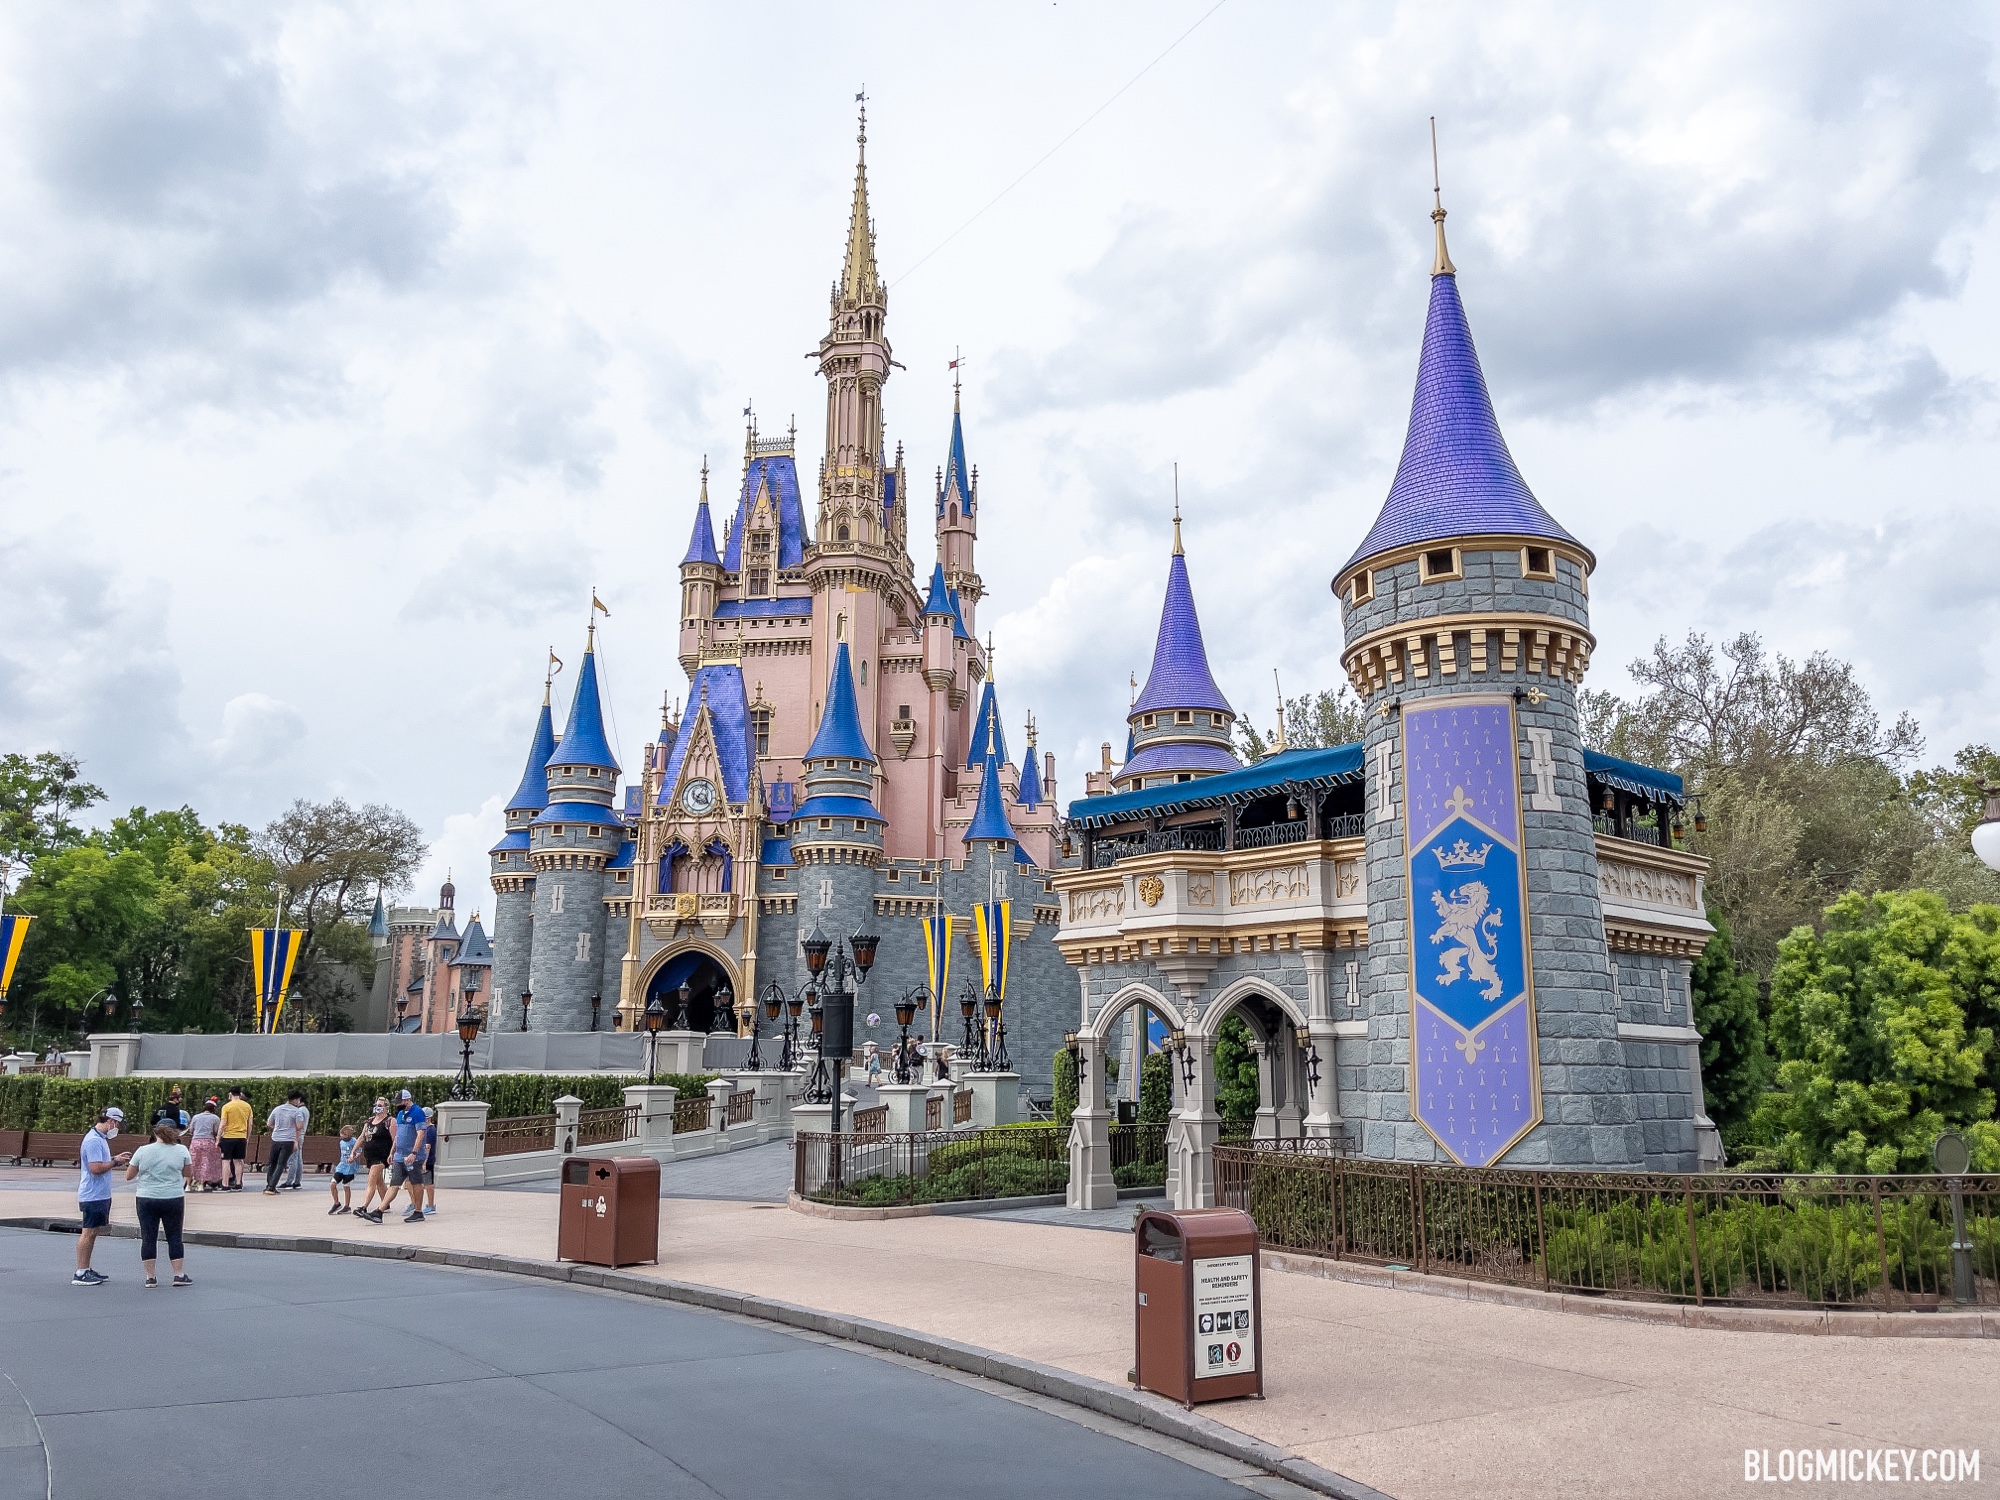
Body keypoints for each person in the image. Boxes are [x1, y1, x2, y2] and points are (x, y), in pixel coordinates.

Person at [125, 1120, 194, 1288]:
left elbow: (129, 1175)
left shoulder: (143, 1151)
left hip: (146, 1197)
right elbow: (188, 1173)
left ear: (155, 1133)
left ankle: (150, 1277)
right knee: (174, 1236)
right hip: (173, 1197)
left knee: (148, 1236)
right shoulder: (182, 1150)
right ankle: (178, 1275)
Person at [72, 1107, 131, 1286]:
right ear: (111, 1121)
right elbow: (95, 1168)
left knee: (92, 1232)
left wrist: (114, 1158)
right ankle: (81, 1271)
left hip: (98, 1193)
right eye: (118, 1125)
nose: (118, 1129)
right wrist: (115, 1162)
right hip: (93, 1193)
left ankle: (85, 1268)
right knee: (88, 1232)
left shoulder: (98, 1138)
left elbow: (98, 1163)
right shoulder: (94, 1141)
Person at [385, 1091, 427, 1224]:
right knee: (394, 1183)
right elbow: (398, 1135)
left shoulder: (417, 1112)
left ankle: (418, 1210)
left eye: (400, 1102)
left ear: (407, 1100)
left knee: (416, 1182)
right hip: (399, 1155)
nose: (397, 1104)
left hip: (412, 1156)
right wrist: (392, 1151)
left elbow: (420, 1134)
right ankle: (380, 1210)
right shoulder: (400, 1114)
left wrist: (414, 1152)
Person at [353, 1099, 395, 1223]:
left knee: (371, 1181)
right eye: (376, 1105)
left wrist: (392, 1153)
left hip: (381, 1155)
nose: (377, 1107)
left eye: (380, 1105)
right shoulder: (370, 1121)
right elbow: (362, 1136)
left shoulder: (390, 1121)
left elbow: (395, 1138)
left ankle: (364, 1207)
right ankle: (385, 1203)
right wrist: (353, 1151)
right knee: (378, 1181)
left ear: (386, 1108)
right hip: (370, 1156)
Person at [263, 1090, 307, 1194]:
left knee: (272, 1163)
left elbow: (269, 1123)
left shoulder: (277, 1109)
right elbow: (299, 1127)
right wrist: (295, 1139)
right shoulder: (297, 1111)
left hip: (276, 1138)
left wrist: (278, 1127)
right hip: (288, 1139)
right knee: (281, 1164)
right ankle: (272, 1187)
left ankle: (269, 1184)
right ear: (296, 1099)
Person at [187, 1096, 224, 1192]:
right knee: (205, 1163)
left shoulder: (195, 1117)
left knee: (193, 1163)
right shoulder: (215, 1118)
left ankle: (188, 1185)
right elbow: (217, 1131)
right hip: (208, 1142)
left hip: (195, 1142)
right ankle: (201, 1185)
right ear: (213, 1109)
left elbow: (191, 1130)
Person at [218, 1087, 252, 1190]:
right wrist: (247, 1137)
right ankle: (238, 1183)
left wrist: (218, 1137)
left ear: (230, 1094)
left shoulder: (226, 1107)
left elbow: (223, 1124)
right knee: (238, 1161)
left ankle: (225, 1184)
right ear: (240, 1094)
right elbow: (250, 1124)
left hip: (228, 1137)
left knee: (226, 1161)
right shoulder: (247, 1106)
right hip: (241, 1137)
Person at [327, 1124, 359, 1214]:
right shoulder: (341, 1142)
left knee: (346, 1186)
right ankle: (336, 1203)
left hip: (350, 1168)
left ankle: (347, 1206)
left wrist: (354, 1157)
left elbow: (359, 1151)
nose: (341, 1137)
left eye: (343, 1135)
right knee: (333, 1184)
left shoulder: (354, 1141)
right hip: (342, 1166)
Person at [283, 1092, 311, 1189]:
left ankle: (289, 1181)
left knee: (293, 1159)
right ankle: (297, 1181)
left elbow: (297, 1126)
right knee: (298, 1158)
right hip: (301, 1135)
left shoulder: (299, 1111)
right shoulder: (305, 1110)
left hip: (296, 1136)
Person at [415, 1106, 439, 1218]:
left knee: (428, 1183)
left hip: (428, 1160)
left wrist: (424, 1162)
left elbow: (427, 1147)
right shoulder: (426, 1129)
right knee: (426, 1183)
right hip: (425, 1158)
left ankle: (431, 1205)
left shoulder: (430, 1130)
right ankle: (429, 1204)